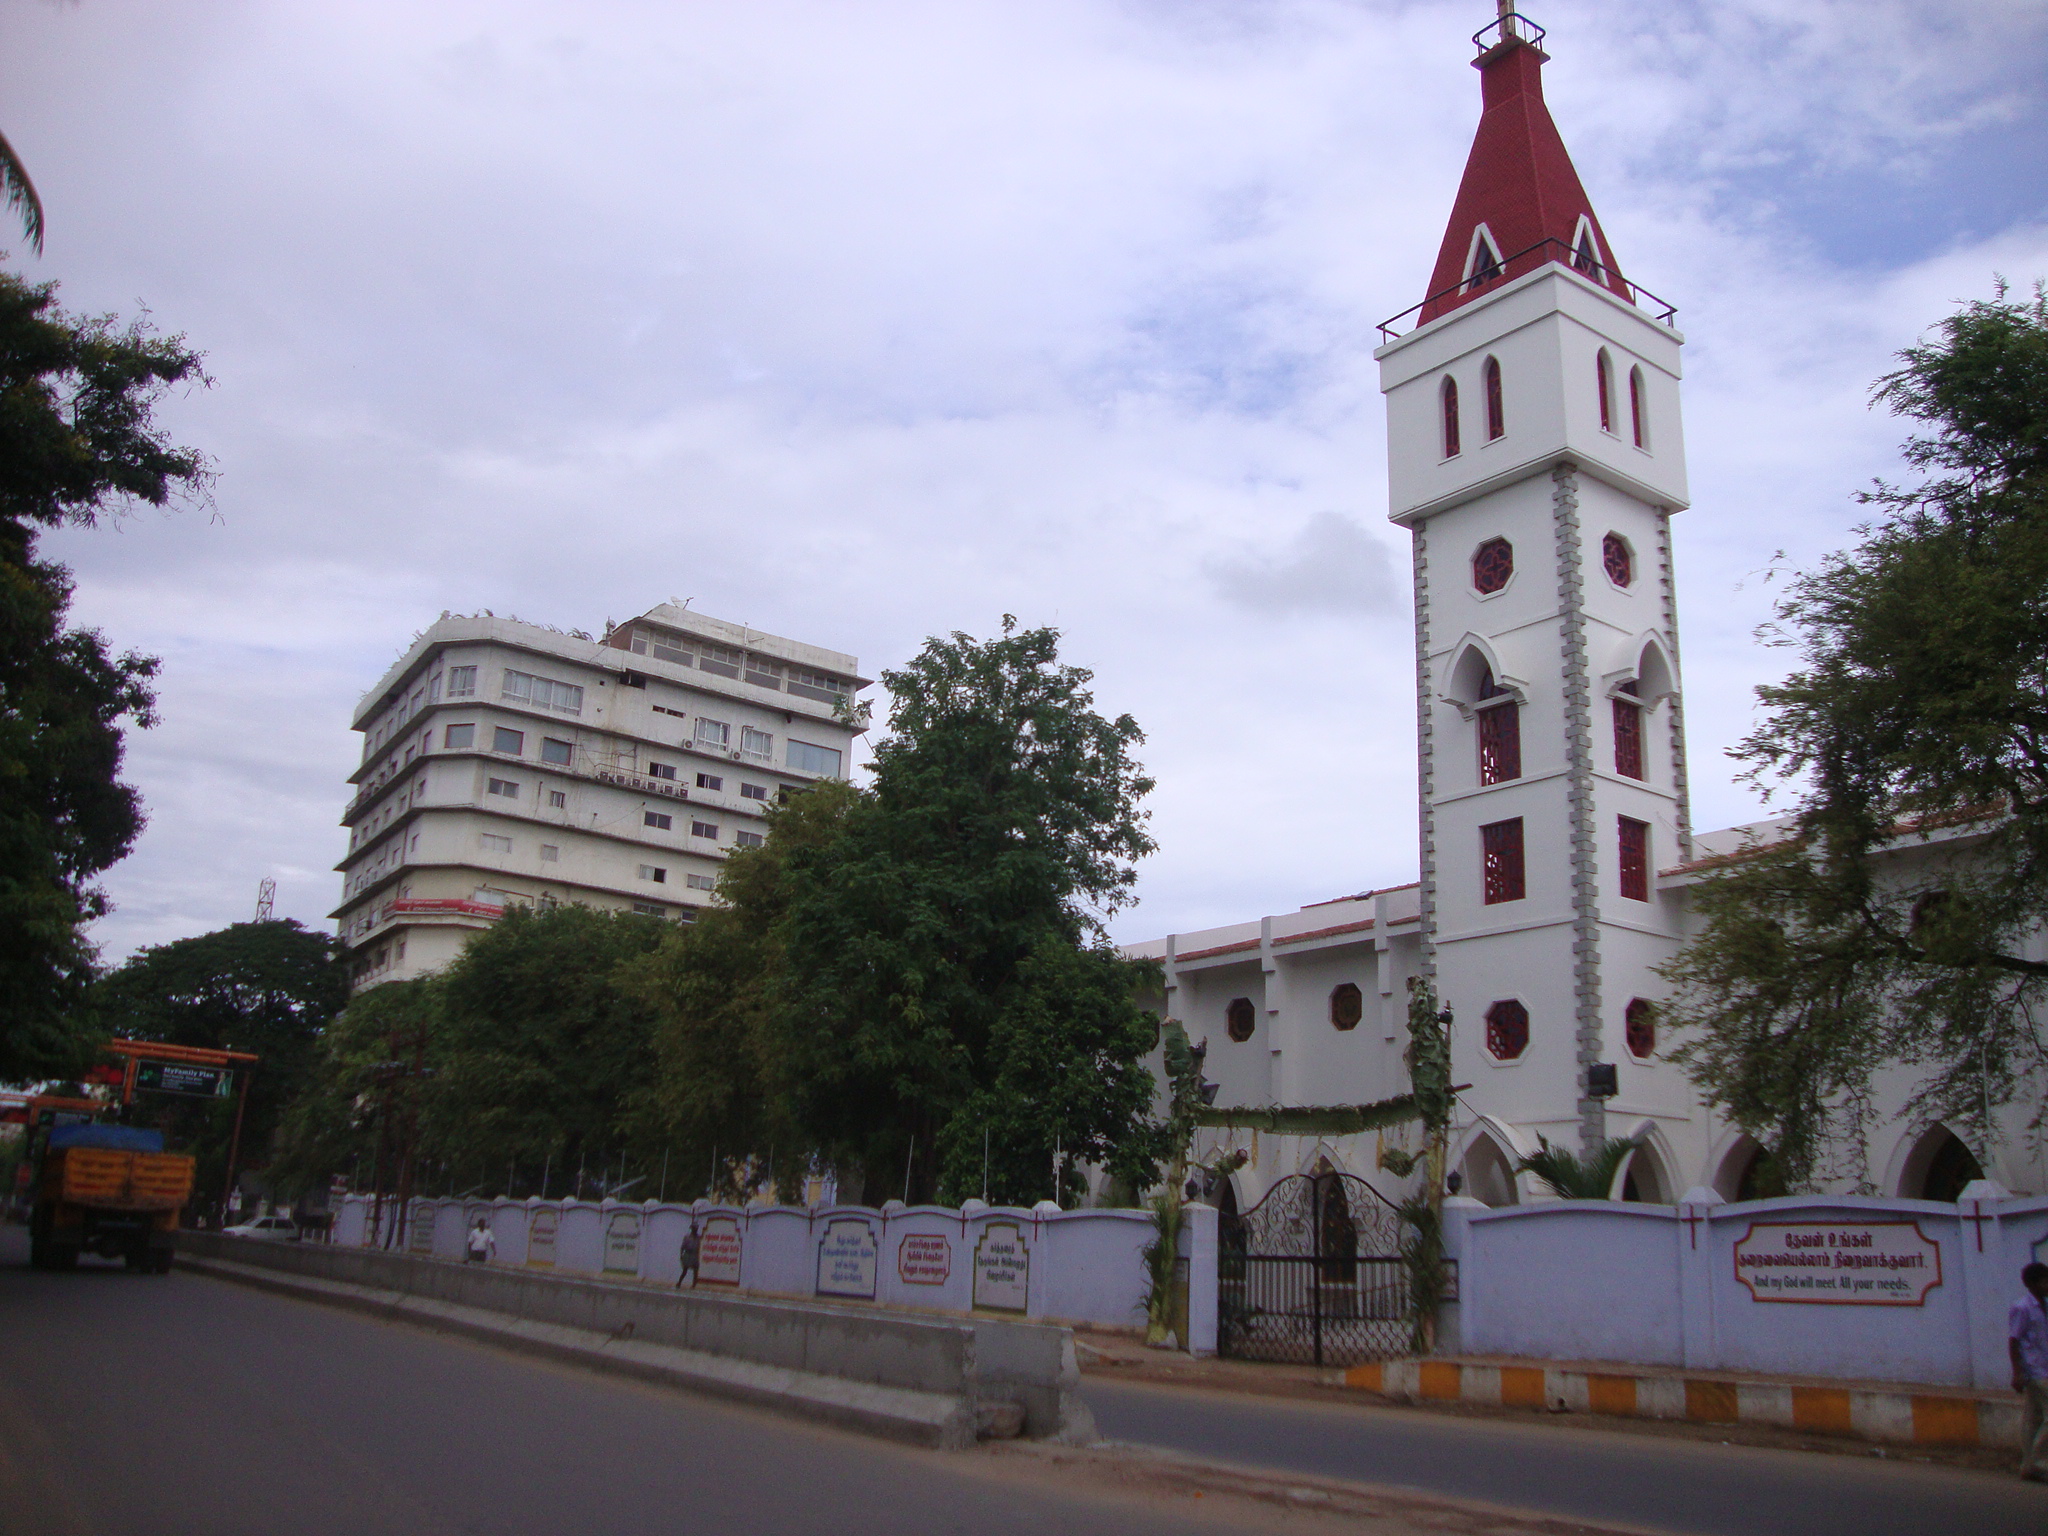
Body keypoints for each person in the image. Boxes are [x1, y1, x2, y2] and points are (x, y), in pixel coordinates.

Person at [2009, 1261, 2048, 1480]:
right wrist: (2017, 1372)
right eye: (2044, 1281)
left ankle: (2028, 1466)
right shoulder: (2022, 1308)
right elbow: (2013, 1341)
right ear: (2032, 1284)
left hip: (2044, 1367)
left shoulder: (2045, 1305)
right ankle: (2041, 1464)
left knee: (2033, 1418)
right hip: (2035, 1371)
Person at [675, 1218, 701, 1289]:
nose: (696, 1230)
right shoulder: (687, 1237)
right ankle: (679, 1283)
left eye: (696, 1228)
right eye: (694, 1228)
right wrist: (681, 1255)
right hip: (688, 1254)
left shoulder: (698, 1237)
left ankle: (694, 1285)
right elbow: (682, 1247)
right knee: (685, 1270)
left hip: (694, 1254)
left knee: (696, 1270)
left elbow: (698, 1247)